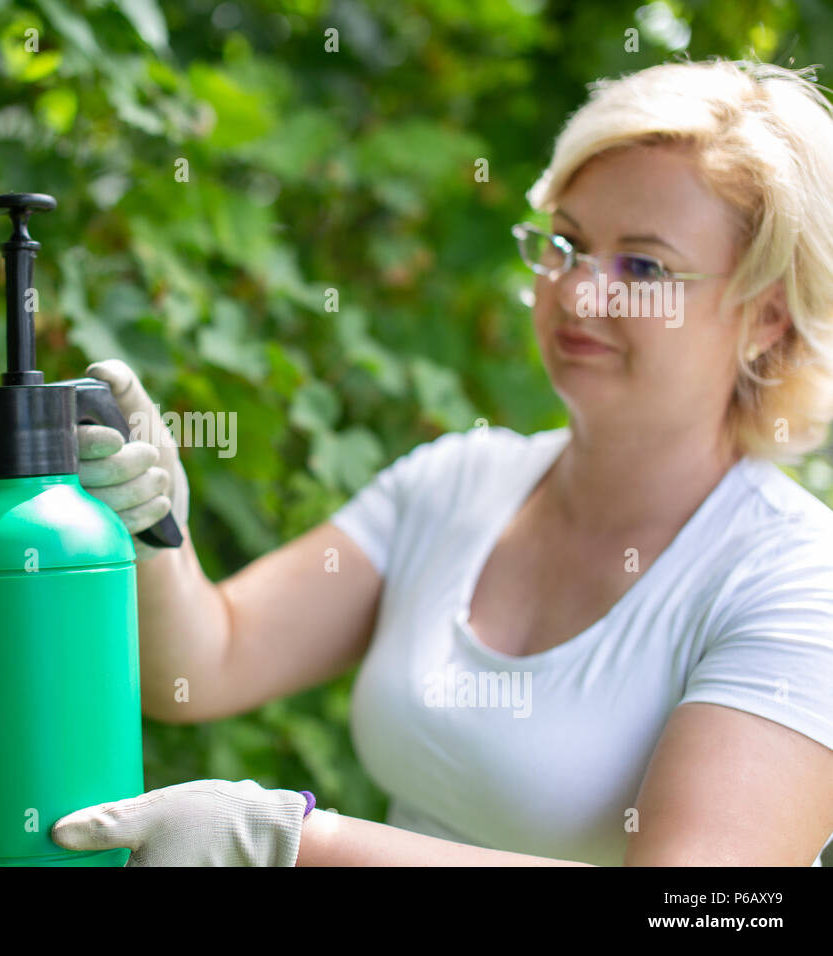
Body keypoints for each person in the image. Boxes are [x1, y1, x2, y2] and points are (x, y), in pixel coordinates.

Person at [52, 58, 833, 866]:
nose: (576, 294)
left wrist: (290, 845)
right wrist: (152, 528)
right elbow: (208, 663)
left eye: (643, 267)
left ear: (768, 316)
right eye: (566, 244)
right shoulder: (457, 482)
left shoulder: (798, 580)